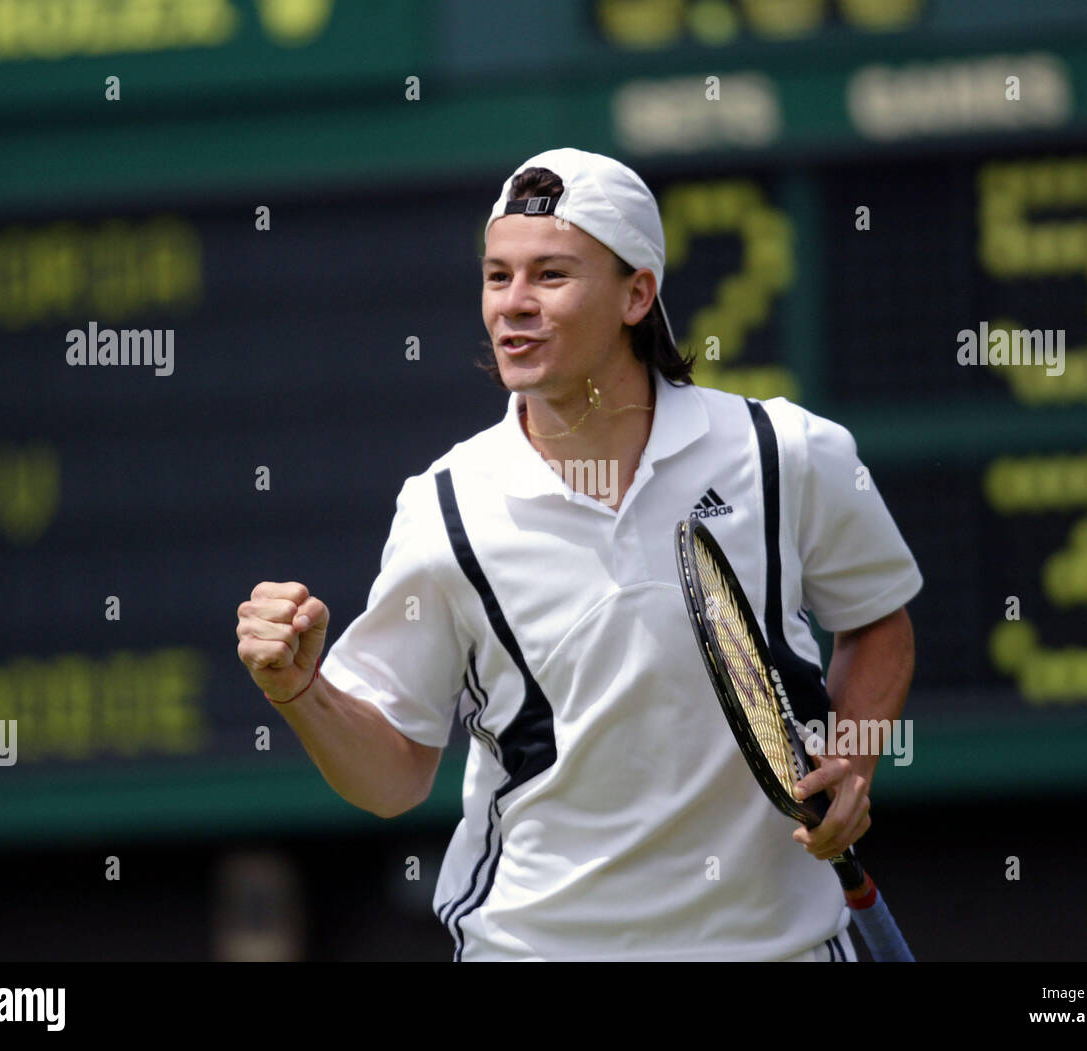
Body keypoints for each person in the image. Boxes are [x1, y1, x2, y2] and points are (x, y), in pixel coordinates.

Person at [235, 147, 921, 962]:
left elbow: (878, 620)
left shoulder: (786, 452)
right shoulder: (444, 505)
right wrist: (300, 691)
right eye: (498, 276)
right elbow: (393, 777)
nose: (513, 305)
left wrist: (851, 758)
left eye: (550, 275)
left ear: (638, 294)